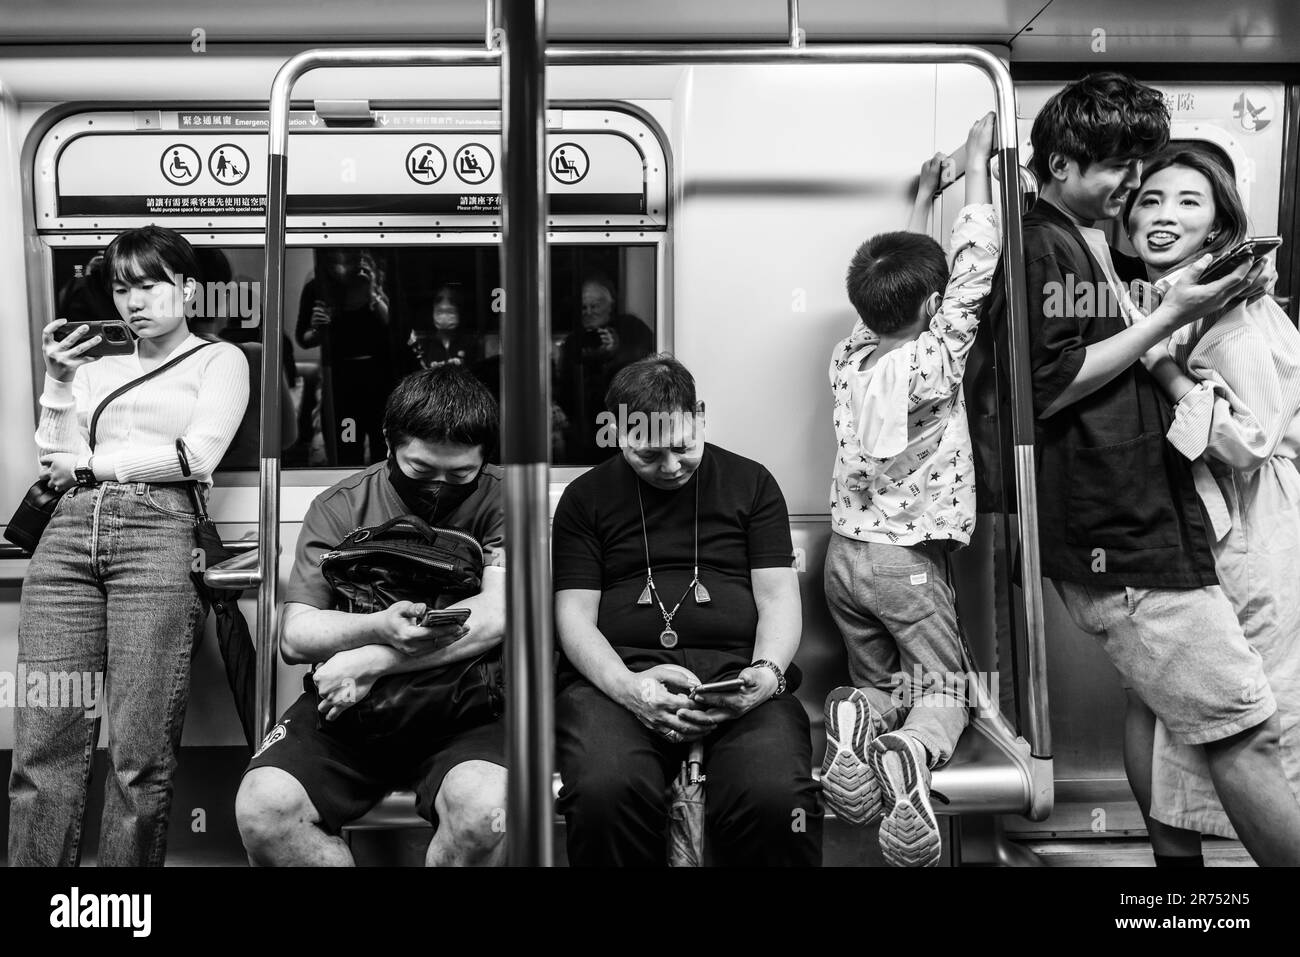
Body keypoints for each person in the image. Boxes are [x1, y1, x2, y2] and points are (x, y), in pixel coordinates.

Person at [986, 71, 1300, 866]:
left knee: (1171, 723)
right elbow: (1049, 382)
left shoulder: (1088, 248)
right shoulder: (1047, 245)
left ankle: (1176, 900)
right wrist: (1169, 325)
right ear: (1058, 162)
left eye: (1172, 192)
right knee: (1249, 732)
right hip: (1127, 538)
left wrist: (1171, 317)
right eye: (1127, 174)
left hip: (1148, 532)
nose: (1139, 194)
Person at [8, 225, 250, 866]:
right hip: (65, 541)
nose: (133, 302)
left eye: (149, 285)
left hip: (157, 536)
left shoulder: (219, 361)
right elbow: (56, 461)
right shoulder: (98, 371)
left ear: (189, 290)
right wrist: (58, 382)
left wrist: (97, 467)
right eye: (121, 289)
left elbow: (195, 456)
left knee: (140, 755)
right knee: (43, 742)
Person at [552, 354, 821, 866]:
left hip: (738, 677)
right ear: (616, 434)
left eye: (682, 446)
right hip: (618, 680)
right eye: (648, 455)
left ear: (700, 415)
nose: (670, 467)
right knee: (605, 795)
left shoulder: (752, 484)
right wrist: (629, 690)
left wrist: (765, 673)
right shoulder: (585, 499)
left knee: (775, 800)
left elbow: (778, 597)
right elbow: (573, 617)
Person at [235, 367, 508, 867]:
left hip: (468, 709)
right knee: (264, 809)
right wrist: (378, 627)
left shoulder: (504, 498)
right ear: (388, 443)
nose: (439, 488)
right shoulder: (340, 506)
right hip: (351, 709)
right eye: (422, 471)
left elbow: (496, 615)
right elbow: (296, 635)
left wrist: (372, 661)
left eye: (461, 475)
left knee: (484, 811)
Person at [819, 114, 998, 868]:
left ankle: (860, 716)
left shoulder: (850, 353)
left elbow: (902, 281)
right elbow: (975, 263)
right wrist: (979, 168)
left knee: (878, 679)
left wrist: (924, 201)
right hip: (908, 569)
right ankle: (910, 755)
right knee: (944, 690)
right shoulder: (937, 360)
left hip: (844, 559)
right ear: (931, 310)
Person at [1122, 147, 1300, 851]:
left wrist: (1160, 363)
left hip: (1257, 531)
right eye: (1150, 199)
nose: (1163, 215)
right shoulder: (1174, 302)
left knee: (1253, 724)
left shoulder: (1241, 320)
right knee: (1162, 705)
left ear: (1222, 224)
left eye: (1188, 201)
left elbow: (1246, 445)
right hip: (1200, 532)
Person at [294, 248, 393, 466]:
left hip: (378, 377)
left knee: (382, 446)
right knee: (347, 446)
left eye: (349, 260)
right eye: (335, 261)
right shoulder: (317, 288)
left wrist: (372, 294)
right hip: (340, 378)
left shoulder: (378, 283)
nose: (342, 267)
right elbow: (304, 338)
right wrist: (318, 328)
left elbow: (395, 330)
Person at [554, 276, 654, 463]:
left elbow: (647, 367)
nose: (589, 312)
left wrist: (615, 352)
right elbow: (566, 388)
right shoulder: (573, 341)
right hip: (585, 432)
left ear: (611, 305)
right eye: (584, 307)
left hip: (626, 425)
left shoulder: (630, 329)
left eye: (596, 305)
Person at [408, 284, 479, 370]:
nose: (444, 316)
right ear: (433, 312)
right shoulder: (424, 345)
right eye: (440, 311)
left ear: (459, 312)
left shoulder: (470, 343)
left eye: (450, 311)